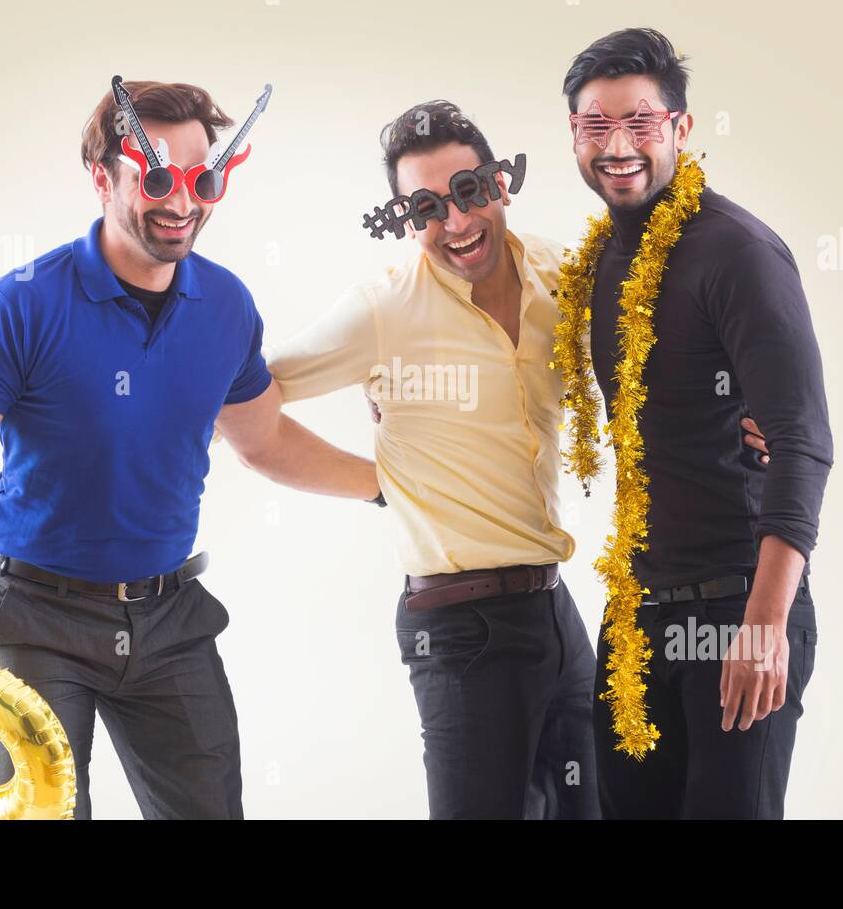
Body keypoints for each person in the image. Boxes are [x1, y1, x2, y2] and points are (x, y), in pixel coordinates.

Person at [265, 100, 772, 818]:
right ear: (407, 219)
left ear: (500, 184)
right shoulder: (381, 311)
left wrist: (751, 408)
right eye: (427, 207)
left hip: (553, 611)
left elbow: (659, 351)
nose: (457, 222)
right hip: (459, 628)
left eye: (469, 192)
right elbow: (245, 400)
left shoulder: (562, 277)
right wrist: (384, 485)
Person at [0, 79, 379, 820]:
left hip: (170, 618)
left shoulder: (225, 306)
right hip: (34, 618)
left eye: (203, 178)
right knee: (46, 813)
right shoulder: (21, 306)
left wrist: (387, 484)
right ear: (103, 176)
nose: (183, 202)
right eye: (156, 177)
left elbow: (264, 440)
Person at [559, 28, 834, 818]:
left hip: (738, 606)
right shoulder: (603, 264)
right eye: (595, 126)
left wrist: (764, 625)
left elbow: (803, 443)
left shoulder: (737, 250)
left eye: (640, 123)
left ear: (680, 128)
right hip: (636, 616)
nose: (617, 146)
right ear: (573, 137)